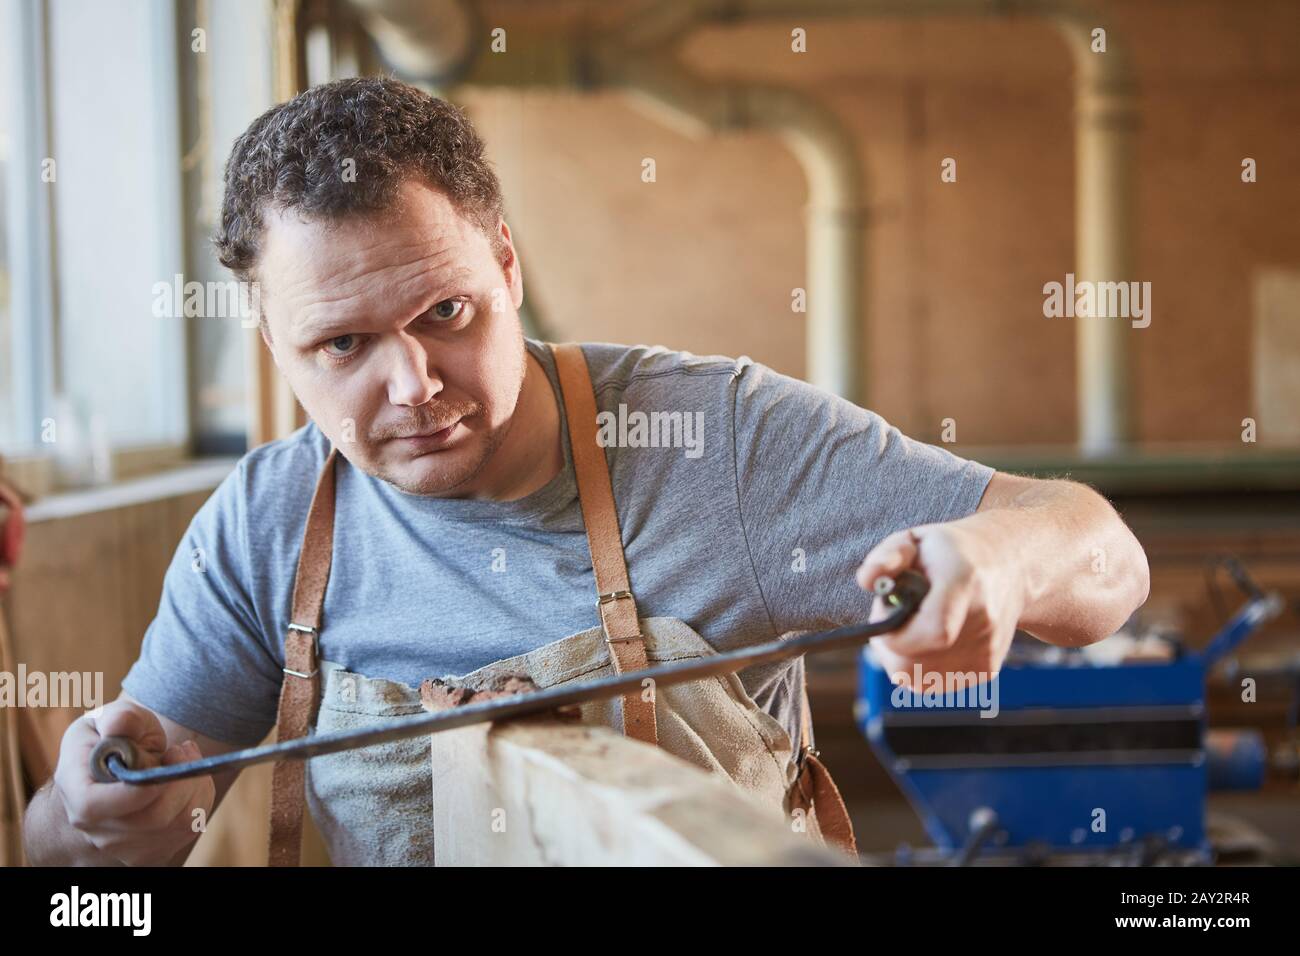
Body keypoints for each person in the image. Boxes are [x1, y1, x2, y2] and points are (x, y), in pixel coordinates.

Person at [24, 76, 1149, 866]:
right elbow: (66, 874)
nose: (411, 381)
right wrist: (85, 821)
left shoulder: (720, 439)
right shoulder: (269, 527)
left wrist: (996, 559)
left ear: (507, 264)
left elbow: (1101, 556)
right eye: (342, 345)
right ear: (276, 345)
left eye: (445, 311)